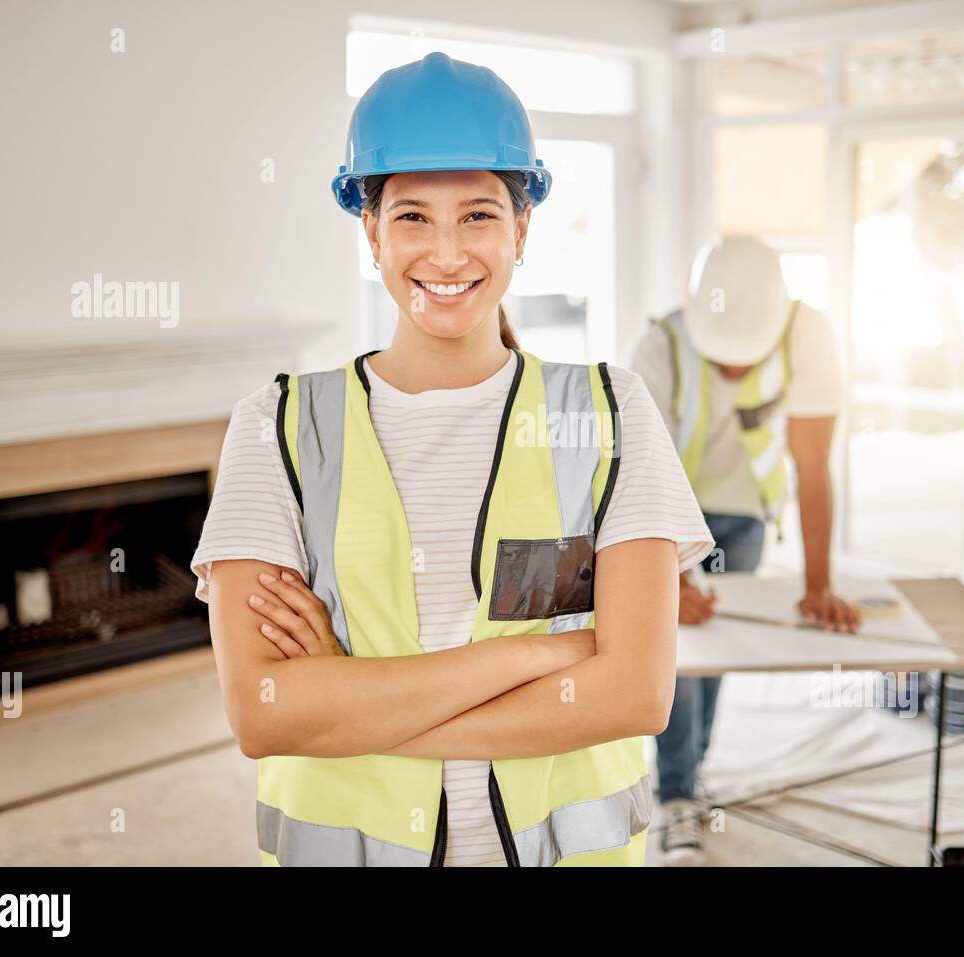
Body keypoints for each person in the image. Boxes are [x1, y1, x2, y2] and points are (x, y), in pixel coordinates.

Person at [189, 52, 713, 867]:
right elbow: (263, 711)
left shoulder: (611, 414)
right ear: (370, 231)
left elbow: (637, 694)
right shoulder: (277, 428)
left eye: (476, 215)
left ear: (522, 228)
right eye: (410, 217)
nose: (445, 253)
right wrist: (536, 652)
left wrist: (351, 696)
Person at [631, 233, 860, 866]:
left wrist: (819, 584)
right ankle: (676, 795)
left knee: (718, 644)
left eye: (746, 357)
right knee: (674, 644)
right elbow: (641, 474)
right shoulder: (662, 345)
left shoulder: (806, 334)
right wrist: (672, 573)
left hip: (746, 512)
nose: (734, 369)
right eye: (722, 357)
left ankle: (692, 769)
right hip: (672, 506)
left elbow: (813, 466)